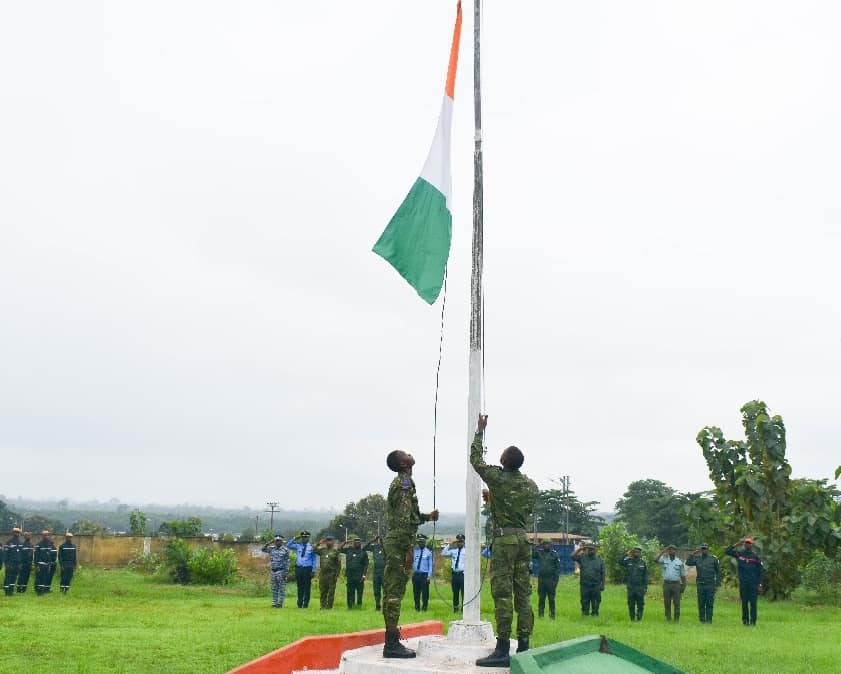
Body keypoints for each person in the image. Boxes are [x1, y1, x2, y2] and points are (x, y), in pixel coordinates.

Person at [471, 414, 539, 668]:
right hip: (523, 541)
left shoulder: (497, 478)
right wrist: (495, 499)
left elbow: (476, 460)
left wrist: (480, 431)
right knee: (523, 595)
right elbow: (519, 509)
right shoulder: (531, 485)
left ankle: (502, 649)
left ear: (502, 461)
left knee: (502, 595)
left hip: (505, 542)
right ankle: (524, 647)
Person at [381, 448, 438, 659]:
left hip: (398, 540)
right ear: (404, 464)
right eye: (405, 454)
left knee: (393, 591)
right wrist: (407, 550)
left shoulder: (405, 482)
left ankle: (391, 639)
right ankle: (391, 644)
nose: (410, 454)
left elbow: (410, 515)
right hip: (400, 543)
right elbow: (404, 520)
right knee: (394, 593)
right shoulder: (404, 483)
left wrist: (428, 517)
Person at [725, 538, 765, 625]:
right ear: (744, 544)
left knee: (753, 603)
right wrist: (737, 544)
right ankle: (745, 621)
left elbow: (761, 572)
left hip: (753, 584)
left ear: (752, 545)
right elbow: (727, 551)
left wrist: (760, 584)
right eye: (746, 543)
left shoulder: (756, 557)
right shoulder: (740, 554)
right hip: (743, 583)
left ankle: (753, 622)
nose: (748, 544)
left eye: (749, 543)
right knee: (744, 603)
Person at [686, 543, 721, 623]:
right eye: (703, 548)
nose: (704, 550)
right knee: (701, 603)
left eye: (705, 548)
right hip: (700, 584)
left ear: (708, 549)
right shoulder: (697, 559)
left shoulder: (713, 559)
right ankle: (702, 620)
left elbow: (718, 572)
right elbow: (688, 563)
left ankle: (709, 620)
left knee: (709, 603)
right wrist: (693, 553)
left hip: (710, 585)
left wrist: (717, 585)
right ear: (701, 550)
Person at [572, 542, 605, 617]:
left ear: (595, 550)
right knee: (584, 600)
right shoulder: (582, 558)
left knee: (596, 601)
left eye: (592, 549)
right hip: (585, 584)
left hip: (596, 585)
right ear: (586, 550)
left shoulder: (600, 560)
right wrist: (580, 549)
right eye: (589, 549)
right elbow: (572, 556)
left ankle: (595, 613)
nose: (590, 551)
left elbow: (603, 573)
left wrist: (603, 585)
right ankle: (585, 613)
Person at [532, 539, 561, 619]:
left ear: (551, 545)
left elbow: (558, 569)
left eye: (548, 544)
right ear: (542, 545)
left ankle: (552, 615)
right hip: (541, 579)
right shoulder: (539, 553)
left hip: (551, 579)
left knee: (551, 599)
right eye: (544, 544)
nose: (546, 545)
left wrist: (556, 580)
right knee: (541, 598)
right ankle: (541, 615)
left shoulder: (554, 554)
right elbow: (530, 553)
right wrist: (537, 545)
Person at [287, 531, 316, 608]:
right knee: (300, 587)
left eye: (306, 537)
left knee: (307, 587)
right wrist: (295, 538)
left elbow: (314, 559)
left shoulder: (312, 547)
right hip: (299, 569)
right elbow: (288, 545)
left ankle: (305, 604)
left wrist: (313, 570)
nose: (304, 538)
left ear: (308, 538)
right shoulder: (298, 546)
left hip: (307, 569)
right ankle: (299, 603)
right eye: (302, 537)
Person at [657, 545, 686, 621]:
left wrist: (684, 585)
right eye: (669, 550)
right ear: (668, 551)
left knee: (677, 602)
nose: (671, 551)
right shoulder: (664, 559)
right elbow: (655, 560)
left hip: (676, 584)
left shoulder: (679, 562)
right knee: (667, 602)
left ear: (675, 551)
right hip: (666, 584)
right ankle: (668, 618)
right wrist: (663, 551)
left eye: (673, 550)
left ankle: (676, 619)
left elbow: (683, 575)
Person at [620, 546, 649, 621]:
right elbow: (620, 561)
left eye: (638, 552)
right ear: (632, 553)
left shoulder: (643, 563)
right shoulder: (628, 561)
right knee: (631, 603)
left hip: (640, 587)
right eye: (635, 552)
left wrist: (645, 587)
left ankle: (639, 618)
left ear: (640, 553)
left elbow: (646, 576)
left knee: (640, 604)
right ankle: (632, 618)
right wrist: (627, 553)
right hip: (631, 587)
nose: (636, 553)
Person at [261, 535, 291, 608]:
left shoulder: (285, 550)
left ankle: (280, 603)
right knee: (274, 588)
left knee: (281, 588)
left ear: (281, 541)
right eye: (276, 540)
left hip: (281, 571)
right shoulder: (272, 548)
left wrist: (286, 572)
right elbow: (263, 549)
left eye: (278, 540)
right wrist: (269, 543)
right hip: (273, 571)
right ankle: (274, 603)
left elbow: (287, 562)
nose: (277, 542)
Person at [340, 535, 369, 609]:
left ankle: (359, 606)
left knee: (359, 592)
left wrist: (364, 575)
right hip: (350, 575)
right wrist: (345, 542)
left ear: (360, 543)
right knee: (350, 591)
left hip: (359, 576)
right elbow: (339, 549)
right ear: (353, 543)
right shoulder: (348, 550)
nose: (357, 543)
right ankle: (350, 606)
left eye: (358, 542)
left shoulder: (363, 552)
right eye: (355, 542)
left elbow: (366, 565)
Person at [441, 534, 467, 611]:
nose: (460, 543)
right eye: (458, 542)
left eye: (461, 542)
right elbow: (443, 553)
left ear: (464, 542)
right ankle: (455, 609)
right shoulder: (453, 551)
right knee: (455, 593)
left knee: (464, 593)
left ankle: (464, 609)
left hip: (463, 575)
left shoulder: (467, 551)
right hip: (455, 575)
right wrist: (450, 544)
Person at [314, 535, 341, 609]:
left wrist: (337, 575)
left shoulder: (336, 552)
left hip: (331, 574)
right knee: (323, 591)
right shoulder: (322, 550)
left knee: (331, 592)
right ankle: (322, 606)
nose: (329, 542)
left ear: (333, 542)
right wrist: (319, 543)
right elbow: (313, 549)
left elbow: (338, 565)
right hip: (323, 574)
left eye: (330, 540)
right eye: (327, 540)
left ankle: (329, 606)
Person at [410, 534, 433, 611]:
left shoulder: (429, 552)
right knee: (416, 592)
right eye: (419, 542)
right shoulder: (415, 551)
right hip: (416, 575)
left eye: (422, 542)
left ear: (425, 542)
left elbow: (430, 565)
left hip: (424, 575)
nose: (420, 543)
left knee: (425, 593)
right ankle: (417, 607)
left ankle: (424, 608)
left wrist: (429, 576)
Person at [364, 535, 386, 611]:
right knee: (376, 589)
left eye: (381, 539)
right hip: (376, 571)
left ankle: (386, 605)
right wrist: (373, 540)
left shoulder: (386, 548)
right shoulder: (374, 547)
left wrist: (383, 543)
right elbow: (365, 548)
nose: (379, 540)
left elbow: (387, 551)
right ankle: (377, 605)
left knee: (385, 589)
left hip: (384, 571)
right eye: (379, 539)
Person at [33, 530, 56, 595]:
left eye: (47, 535)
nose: (46, 536)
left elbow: (50, 556)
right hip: (40, 564)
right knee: (39, 578)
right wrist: (36, 565)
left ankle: (42, 591)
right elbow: (36, 556)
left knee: (45, 578)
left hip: (47, 565)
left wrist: (49, 565)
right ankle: (38, 591)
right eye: (45, 535)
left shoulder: (50, 545)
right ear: (42, 536)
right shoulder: (39, 545)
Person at [3, 527, 24, 596]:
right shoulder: (9, 542)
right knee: (8, 577)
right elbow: (5, 554)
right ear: (13, 533)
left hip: (17, 564)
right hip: (10, 563)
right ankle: (7, 591)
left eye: (18, 532)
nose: (17, 533)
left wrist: (20, 563)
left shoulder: (20, 543)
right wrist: (6, 564)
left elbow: (21, 554)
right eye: (15, 532)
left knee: (14, 578)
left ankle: (11, 591)